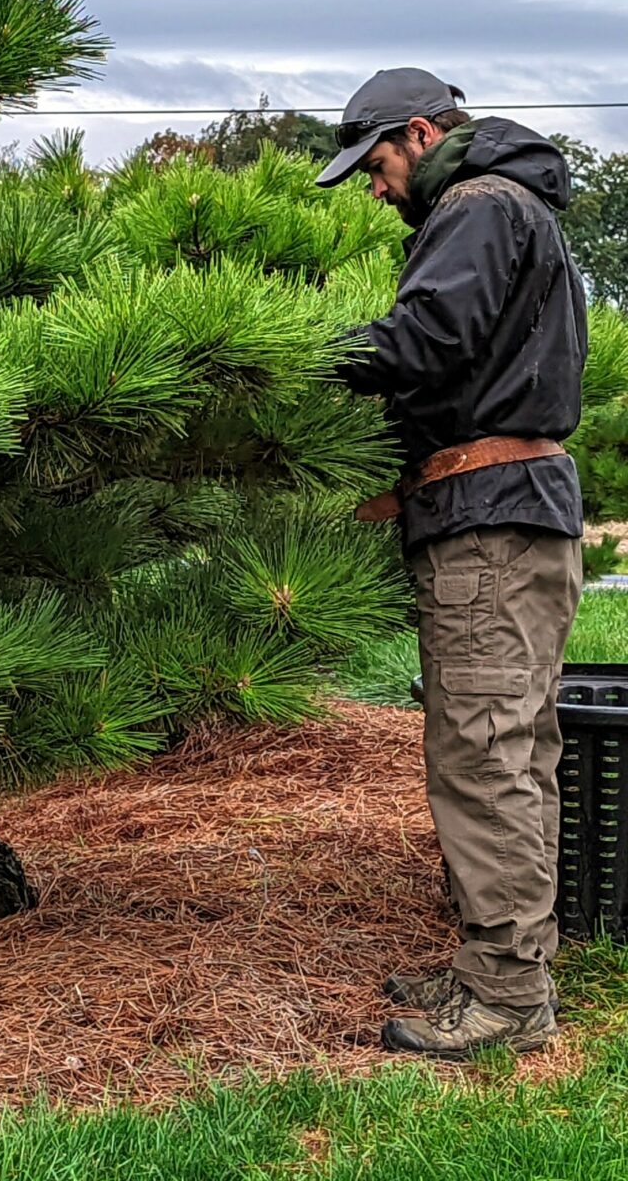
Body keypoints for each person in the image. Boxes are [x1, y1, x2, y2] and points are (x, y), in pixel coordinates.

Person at [316, 67, 587, 1058]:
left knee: (481, 760)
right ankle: (501, 966)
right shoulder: (510, 204)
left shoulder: (474, 206)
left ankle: (508, 998)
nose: (374, 187)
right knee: (515, 753)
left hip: (489, 524)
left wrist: (292, 355)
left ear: (421, 133)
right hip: (516, 514)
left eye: (377, 164)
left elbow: (428, 337)